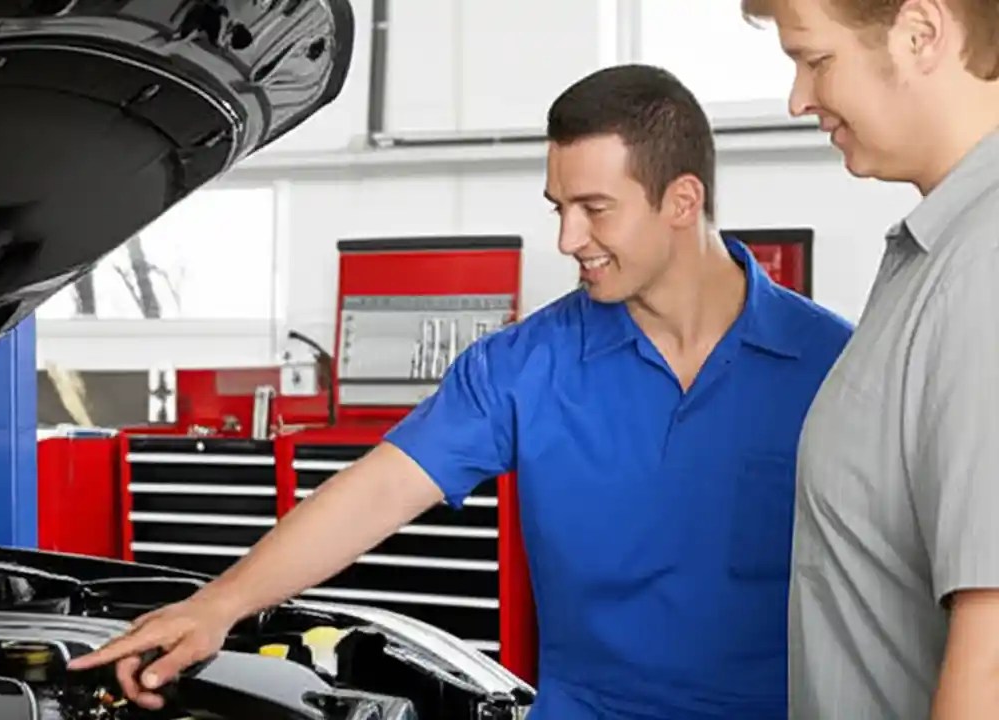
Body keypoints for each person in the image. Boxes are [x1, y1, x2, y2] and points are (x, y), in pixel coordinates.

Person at [67, 64, 853, 719]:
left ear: (682, 201)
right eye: (559, 208)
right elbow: (372, 493)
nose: (567, 240)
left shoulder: (834, 362)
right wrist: (215, 607)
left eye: (594, 210)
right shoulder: (524, 366)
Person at [739, 0, 999, 717]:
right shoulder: (935, 253)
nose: (798, 100)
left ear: (920, 33)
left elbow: (993, 667)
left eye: (816, 60)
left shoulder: (984, 265)